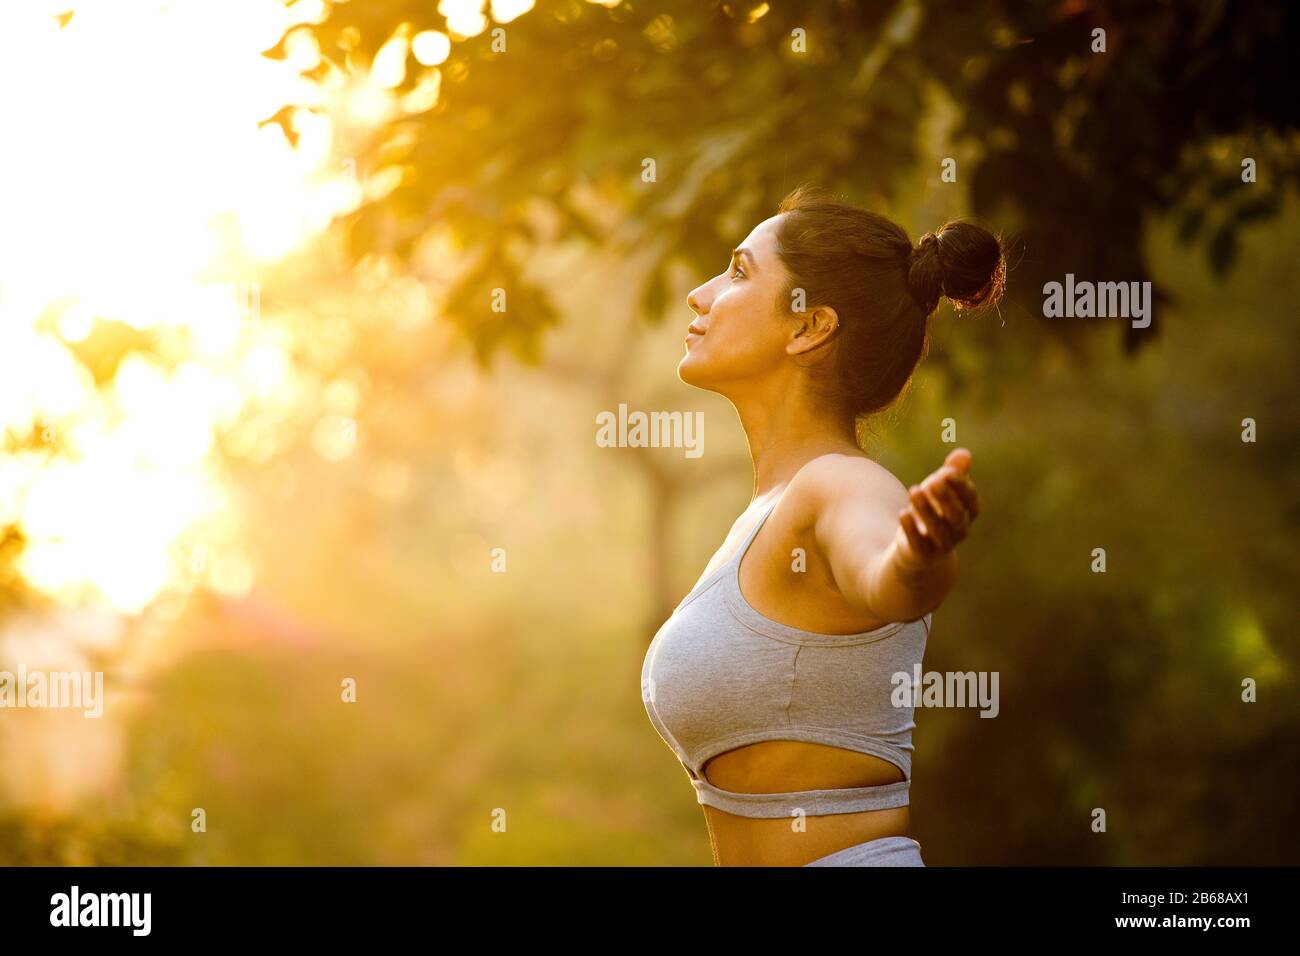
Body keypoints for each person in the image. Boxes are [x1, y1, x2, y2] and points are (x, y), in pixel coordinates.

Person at [640, 183, 1004, 866]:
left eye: (738, 271)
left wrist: (917, 554)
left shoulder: (840, 485)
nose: (698, 294)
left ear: (810, 326)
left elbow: (887, 574)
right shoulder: (766, 513)